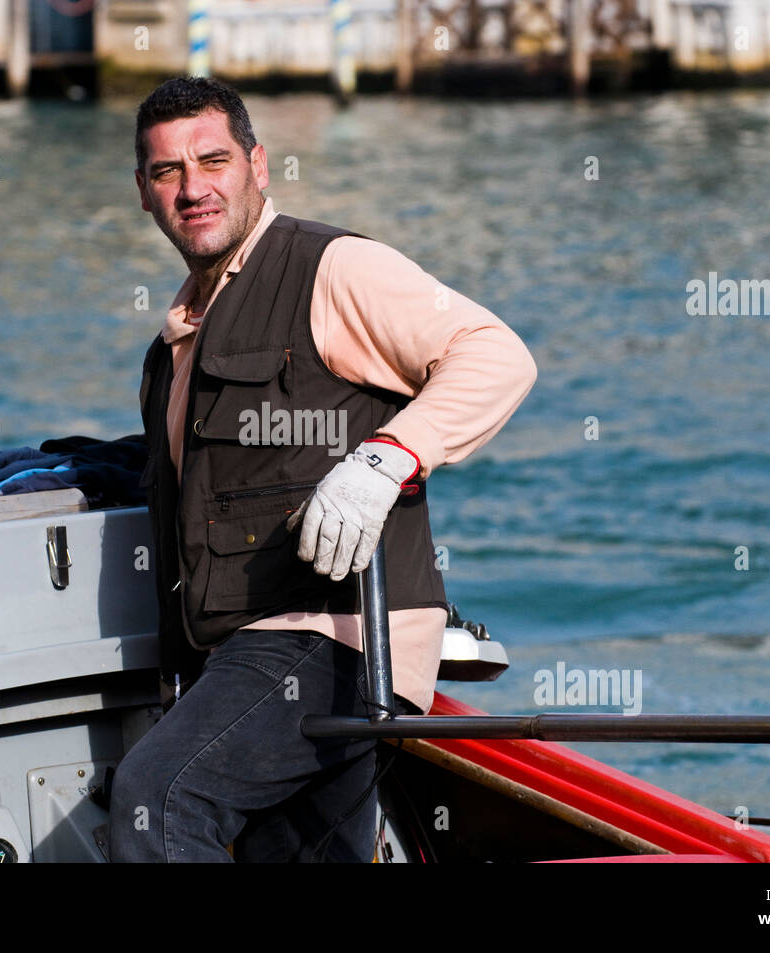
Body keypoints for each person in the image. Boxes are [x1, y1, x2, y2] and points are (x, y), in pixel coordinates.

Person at [109, 76, 537, 862]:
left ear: (258, 165)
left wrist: (386, 457)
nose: (194, 188)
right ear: (143, 191)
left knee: (159, 799)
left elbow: (495, 355)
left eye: (213, 161)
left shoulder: (331, 267)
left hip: (326, 637)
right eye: (168, 171)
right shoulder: (178, 336)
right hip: (243, 658)